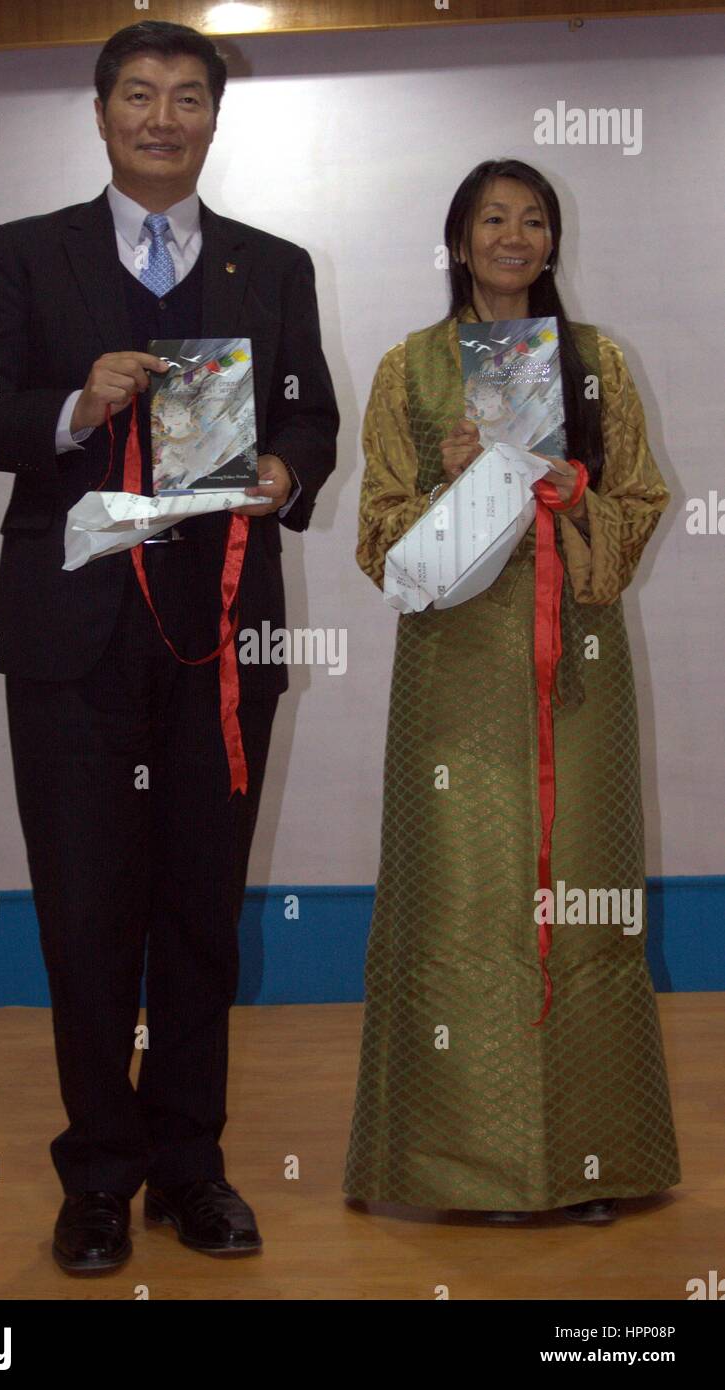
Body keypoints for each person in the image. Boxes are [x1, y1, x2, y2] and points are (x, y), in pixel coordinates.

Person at [0, 19, 338, 1272]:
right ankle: (98, 1177)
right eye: (138, 96)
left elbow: (309, 416)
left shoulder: (272, 267)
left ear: (214, 118)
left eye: (185, 97)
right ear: (101, 112)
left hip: (220, 635)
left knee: (201, 913)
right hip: (72, 638)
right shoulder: (29, 254)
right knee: (86, 911)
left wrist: (284, 467)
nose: (162, 117)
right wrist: (73, 404)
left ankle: (192, 1167)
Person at [343, 159, 680, 1224]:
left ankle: (586, 1161)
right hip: (454, 672)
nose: (513, 236)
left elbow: (638, 501)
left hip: (574, 664)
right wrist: (458, 485)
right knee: (455, 901)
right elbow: (377, 535)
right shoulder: (410, 368)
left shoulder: (596, 366)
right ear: (457, 241)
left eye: (532, 220)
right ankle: (445, 1166)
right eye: (492, 219)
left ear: (550, 243)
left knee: (579, 894)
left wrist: (570, 488)